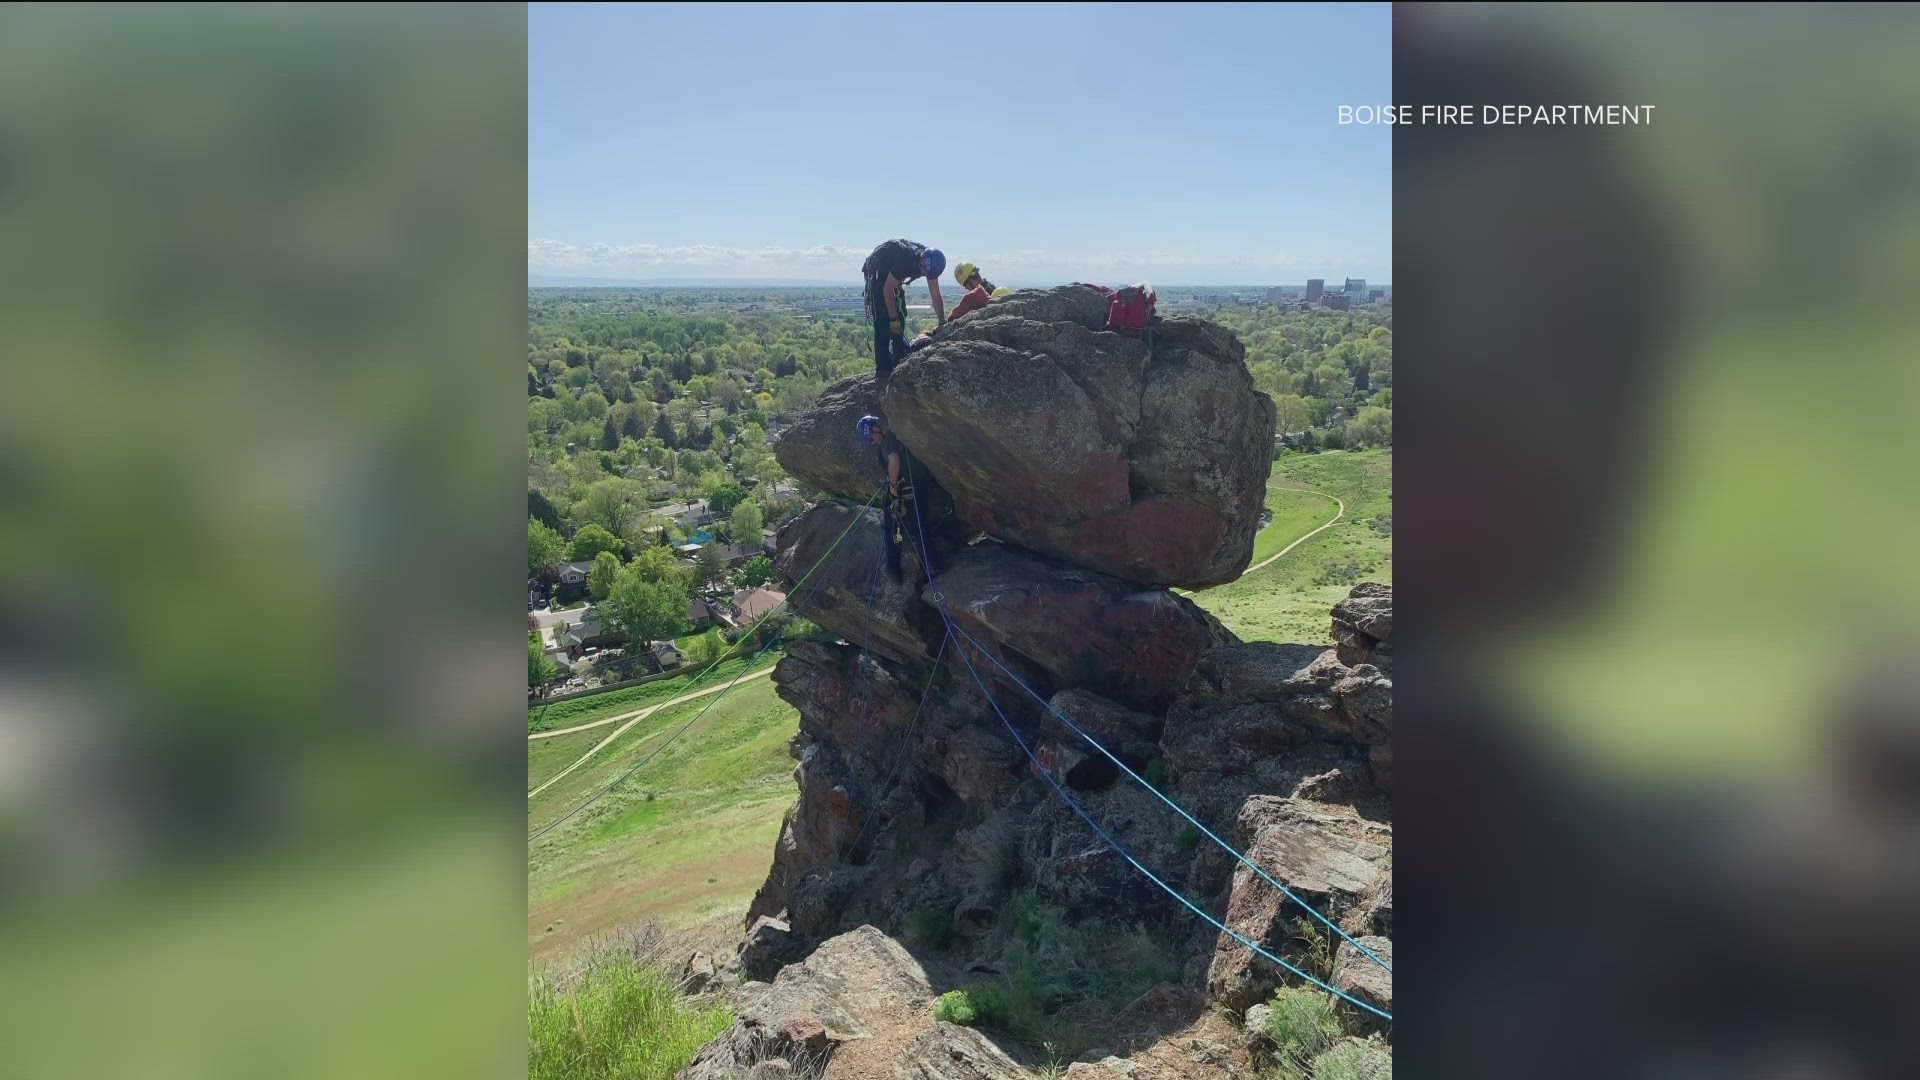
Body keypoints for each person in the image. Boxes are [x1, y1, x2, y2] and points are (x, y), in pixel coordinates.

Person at [861, 239, 945, 383]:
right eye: (924, 272)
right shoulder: (907, 261)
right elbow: (887, 291)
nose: (925, 275)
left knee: (901, 316)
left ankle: (899, 358)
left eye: (928, 274)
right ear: (922, 262)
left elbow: (935, 295)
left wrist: (942, 321)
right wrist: (893, 320)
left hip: (892, 275)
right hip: (878, 276)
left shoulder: (930, 263)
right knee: (883, 324)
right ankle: (883, 371)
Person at [857, 414, 914, 579]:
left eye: (870, 438)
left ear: (876, 430)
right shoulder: (891, 440)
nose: (872, 443)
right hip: (907, 489)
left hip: (905, 491)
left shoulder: (888, 443)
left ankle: (894, 570)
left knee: (892, 526)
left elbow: (894, 460)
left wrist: (893, 487)